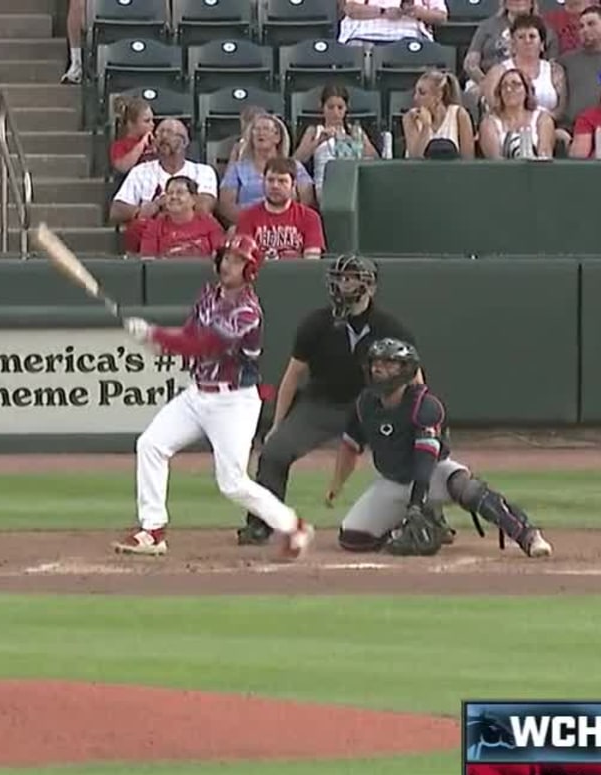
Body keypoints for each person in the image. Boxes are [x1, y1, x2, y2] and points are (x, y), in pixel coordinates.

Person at [114, 234, 316, 558]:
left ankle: (293, 526)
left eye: (237, 261)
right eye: (226, 258)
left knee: (232, 482)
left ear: (250, 270)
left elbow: (205, 345)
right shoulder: (209, 295)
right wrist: (161, 342)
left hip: (233, 402)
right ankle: (152, 529)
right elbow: (191, 336)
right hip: (197, 395)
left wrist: (156, 334)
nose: (227, 265)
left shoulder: (248, 312)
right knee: (150, 445)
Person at [237, 256, 417, 546]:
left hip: (372, 405)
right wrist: (277, 424)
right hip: (322, 402)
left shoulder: (388, 326)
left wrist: (418, 415)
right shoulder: (317, 323)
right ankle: (262, 523)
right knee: (274, 452)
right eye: (340, 278)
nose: (343, 284)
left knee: (419, 450)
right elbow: (293, 375)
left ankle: (428, 515)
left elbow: (414, 376)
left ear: (369, 286)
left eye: (351, 278)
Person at [325, 338, 553, 559]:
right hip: (392, 481)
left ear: (406, 370)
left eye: (388, 363)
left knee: (467, 489)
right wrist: (337, 484)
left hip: (433, 474)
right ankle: (413, 525)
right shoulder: (365, 404)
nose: (379, 368)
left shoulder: (425, 405)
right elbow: (350, 444)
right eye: (376, 363)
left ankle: (528, 536)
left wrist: (416, 503)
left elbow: (425, 463)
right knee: (353, 539)